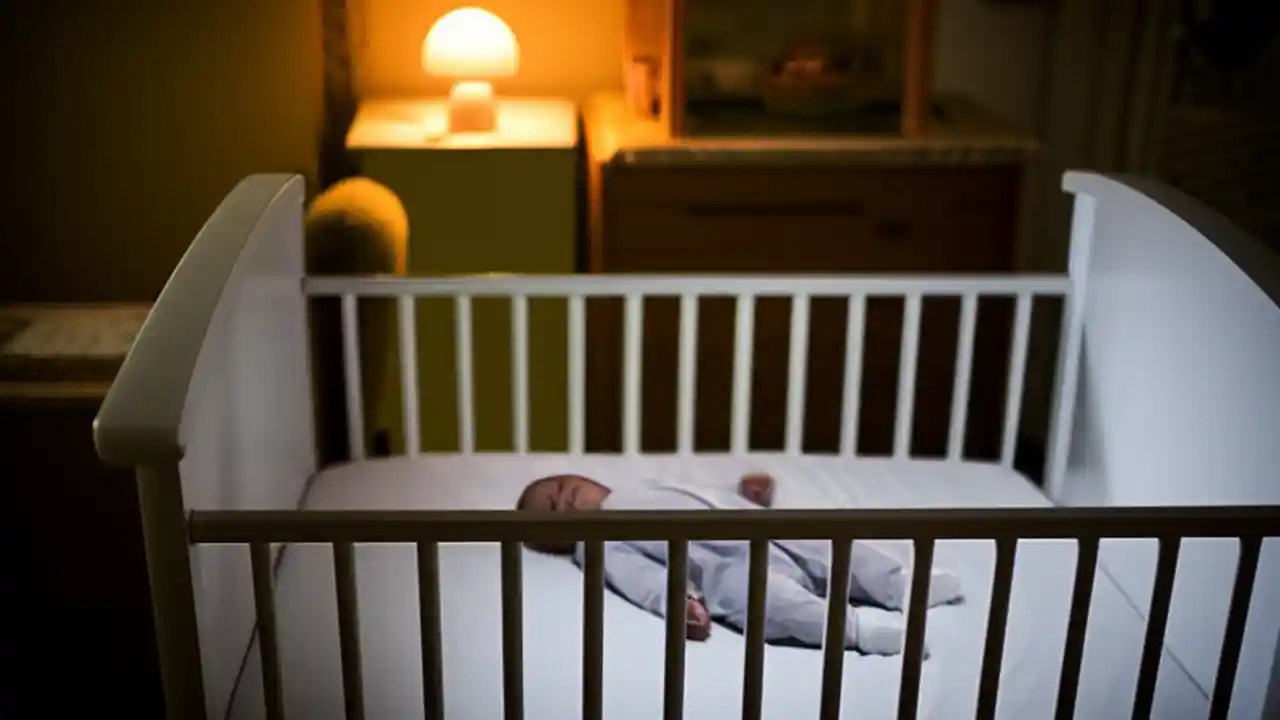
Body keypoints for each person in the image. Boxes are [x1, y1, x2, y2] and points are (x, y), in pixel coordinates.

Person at [515, 472, 962, 655]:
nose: (561, 498)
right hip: (725, 571)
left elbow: (704, 495)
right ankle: (856, 631)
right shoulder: (602, 545)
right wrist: (679, 603)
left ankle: (901, 584)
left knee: (834, 545)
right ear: (558, 542)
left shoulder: (645, 485)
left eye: (559, 484)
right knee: (774, 602)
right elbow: (642, 580)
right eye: (551, 509)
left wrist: (747, 493)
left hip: (763, 530)